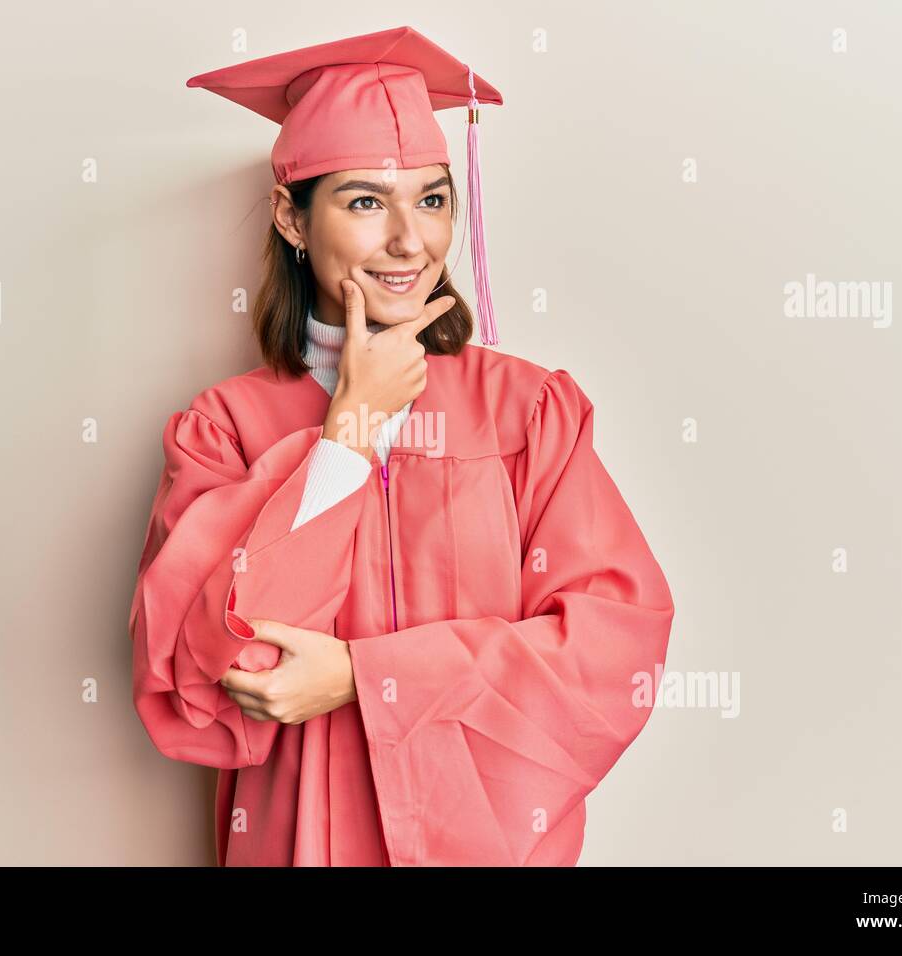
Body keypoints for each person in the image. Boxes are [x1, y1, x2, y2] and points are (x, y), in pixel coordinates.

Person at [128, 25, 676, 866]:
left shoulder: (527, 411)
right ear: (291, 216)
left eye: (430, 199)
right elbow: (221, 674)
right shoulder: (225, 429)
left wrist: (364, 676)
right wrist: (347, 431)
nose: (409, 242)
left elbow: (610, 650)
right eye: (362, 202)